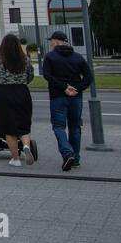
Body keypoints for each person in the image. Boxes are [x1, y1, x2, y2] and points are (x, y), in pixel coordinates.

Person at [41, 29, 93, 171]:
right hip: (76, 97)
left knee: (58, 126)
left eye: (51, 40)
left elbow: (47, 75)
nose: (51, 43)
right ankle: (75, 159)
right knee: (75, 127)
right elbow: (89, 77)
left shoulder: (50, 57)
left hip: (57, 96)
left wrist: (64, 87)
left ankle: (67, 153)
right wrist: (77, 88)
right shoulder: (77, 57)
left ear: (57, 41)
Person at [0, 33, 36, 167]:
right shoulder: (25, 59)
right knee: (23, 125)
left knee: (9, 128)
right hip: (22, 92)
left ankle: (16, 159)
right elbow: (31, 76)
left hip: (5, 93)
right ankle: (25, 146)